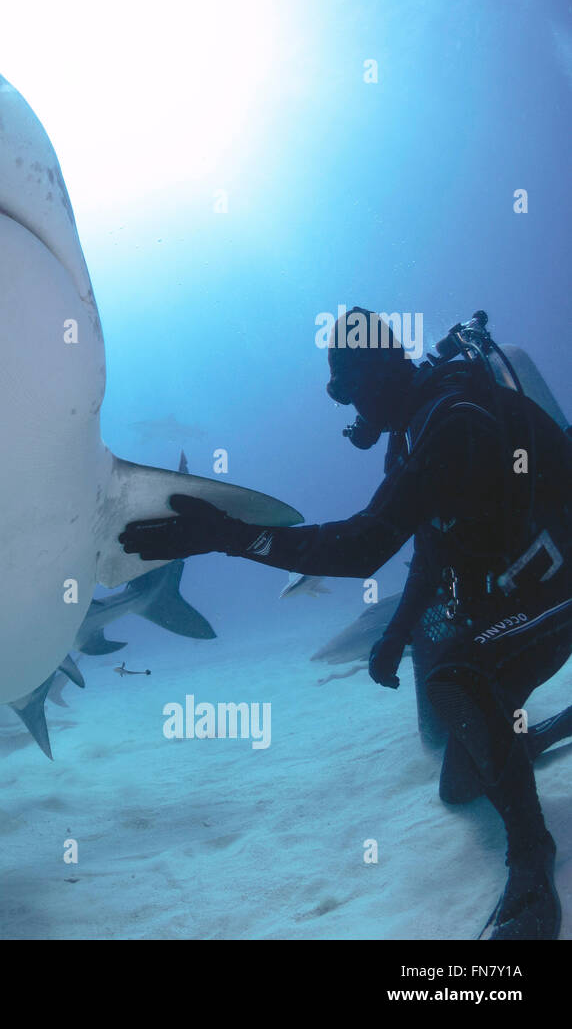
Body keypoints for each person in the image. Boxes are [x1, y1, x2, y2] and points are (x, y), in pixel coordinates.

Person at [119, 308, 572, 940]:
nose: (346, 406)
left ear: (382, 371)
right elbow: (431, 552)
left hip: (561, 587)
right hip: (518, 592)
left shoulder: (453, 421)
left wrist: (229, 537)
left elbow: (363, 546)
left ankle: (530, 861)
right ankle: (529, 739)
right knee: (457, 781)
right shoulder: (411, 438)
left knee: (458, 683)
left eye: (346, 388)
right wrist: (393, 636)